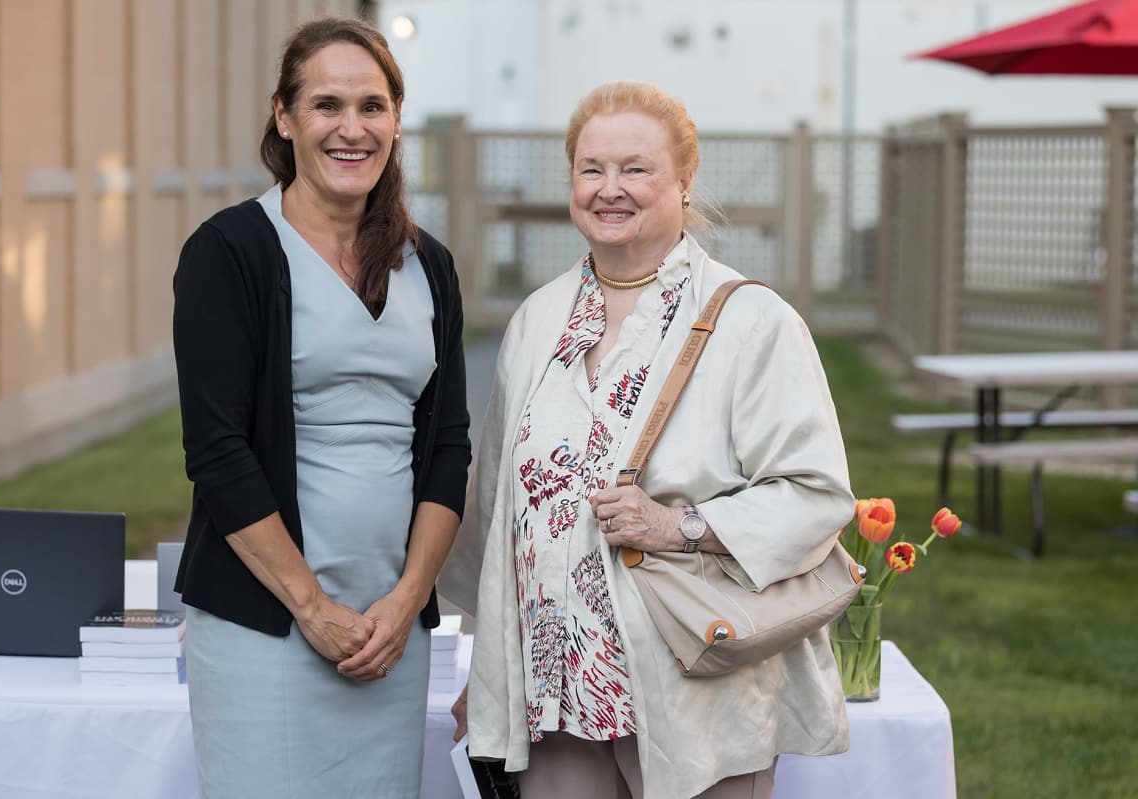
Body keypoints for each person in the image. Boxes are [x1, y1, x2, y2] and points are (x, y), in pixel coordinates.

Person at [445, 81, 854, 799]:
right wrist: (494, 677)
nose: (610, 189)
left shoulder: (753, 321)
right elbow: (498, 520)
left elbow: (815, 494)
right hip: (557, 702)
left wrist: (680, 525)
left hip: (692, 687)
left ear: (684, 181)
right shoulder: (535, 324)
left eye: (636, 169)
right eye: (591, 168)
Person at [172, 17, 470, 799]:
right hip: (266, 624)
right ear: (285, 116)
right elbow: (217, 450)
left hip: (388, 632)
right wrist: (310, 605)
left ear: (397, 120)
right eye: (327, 104)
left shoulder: (429, 265)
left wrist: (406, 601)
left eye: (372, 106)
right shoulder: (230, 252)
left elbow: (449, 446)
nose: (352, 128)